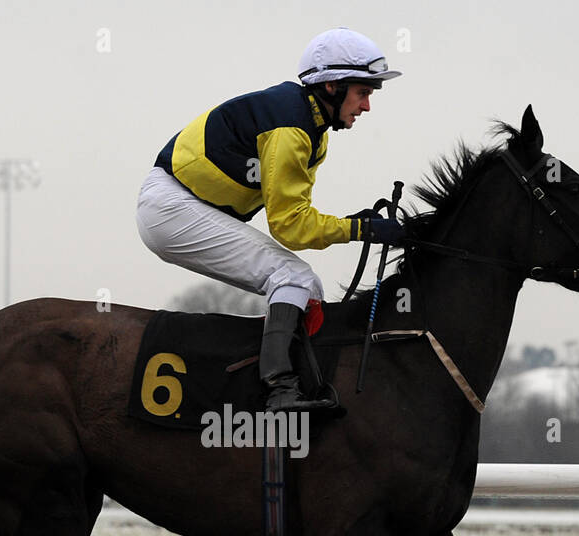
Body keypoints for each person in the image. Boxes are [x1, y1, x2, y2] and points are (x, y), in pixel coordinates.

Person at [136, 27, 405, 412]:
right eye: (363, 93)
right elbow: (291, 227)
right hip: (171, 208)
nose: (366, 106)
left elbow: (295, 215)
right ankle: (279, 387)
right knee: (292, 277)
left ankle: (291, 382)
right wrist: (361, 230)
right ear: (331, 87)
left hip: (185, 205)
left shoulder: (314, 130)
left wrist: (355, 226)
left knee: (306, 286)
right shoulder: (293, 128)